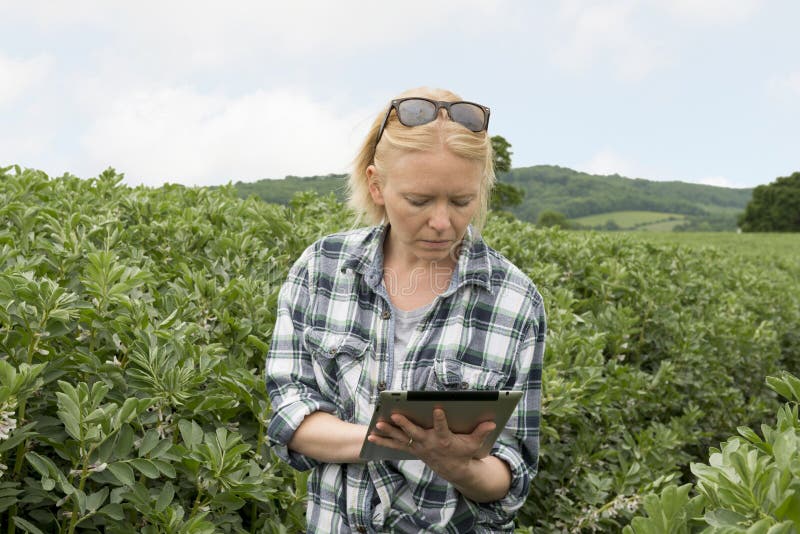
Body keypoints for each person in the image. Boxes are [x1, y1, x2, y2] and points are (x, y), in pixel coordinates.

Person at [266, 87, 545, 533]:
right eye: (419, 201)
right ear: (377, 185)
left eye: (461, 201)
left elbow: (511, 472)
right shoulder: (321, 269)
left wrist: (457, 466)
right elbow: (291, 415)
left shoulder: (514, 299)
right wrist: (410, 443)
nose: (442, 222)